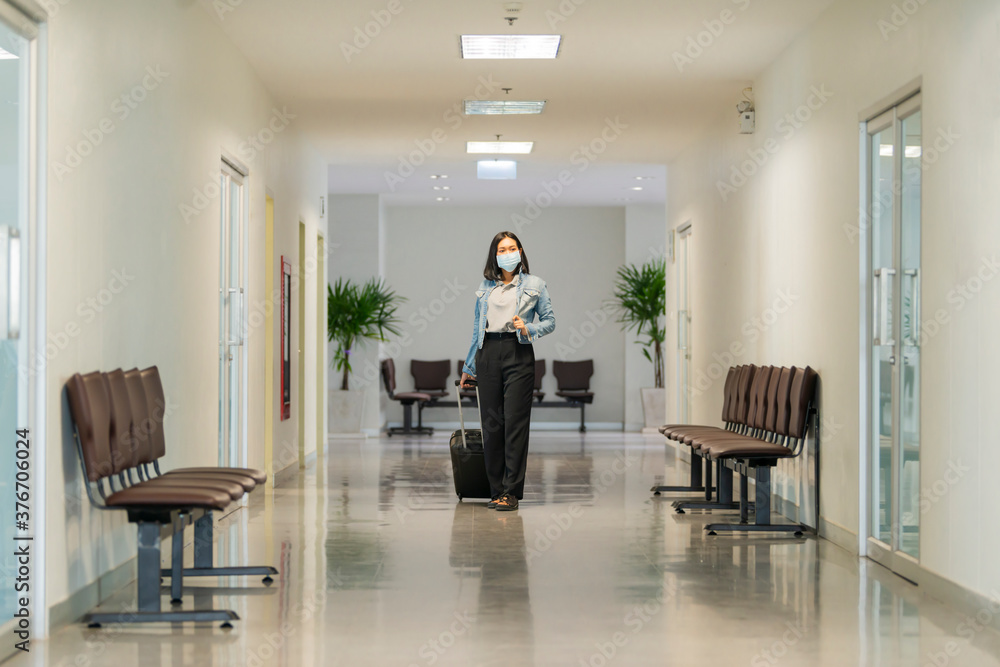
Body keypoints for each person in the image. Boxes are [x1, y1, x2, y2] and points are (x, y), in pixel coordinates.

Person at [461, 231, 556, 511]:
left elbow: (550, 321)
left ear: (521, 251)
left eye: (512, 248)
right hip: (487, 352)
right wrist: (469, 366)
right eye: (502, 249)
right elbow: (477, 329)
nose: (507, 253)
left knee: (515, 423)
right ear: (495, 255)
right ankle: (495, 491)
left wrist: (528, 328)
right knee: (492, 425)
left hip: (518, 352)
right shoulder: (486, 286)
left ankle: (511, 492)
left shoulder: (536, 284)